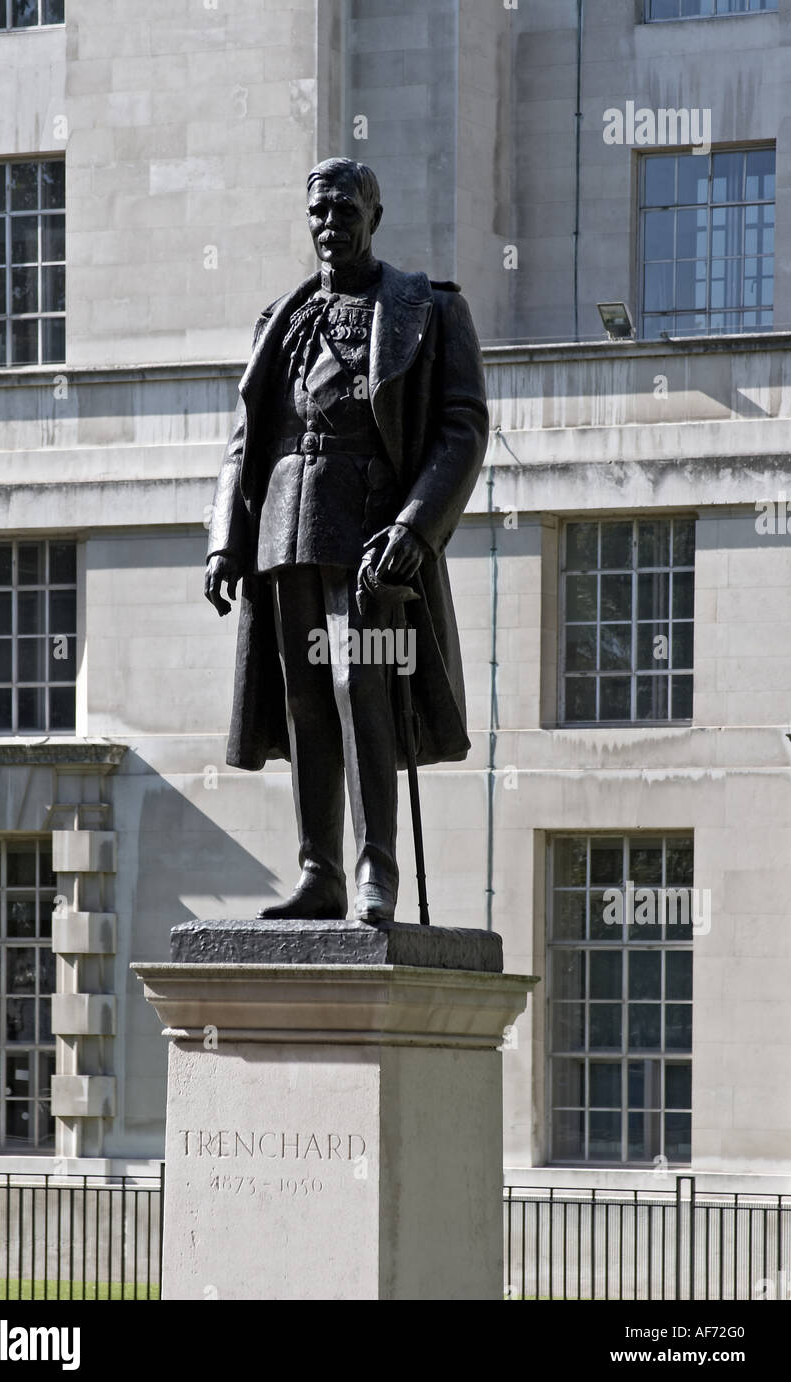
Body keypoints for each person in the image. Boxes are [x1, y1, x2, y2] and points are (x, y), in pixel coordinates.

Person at [205, 157, 488, 924]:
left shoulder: (427, 308)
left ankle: (375, 873)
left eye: (344, 212)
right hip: (287, 525)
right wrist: (225, 540)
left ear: (374, 215)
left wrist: (415, 527)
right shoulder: (282, 320)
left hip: (370, 528)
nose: (330, 226)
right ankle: (318, 871)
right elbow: (245, 442)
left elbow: (462, 430)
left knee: (361, 687)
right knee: (304, 703)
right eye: (318, 214)